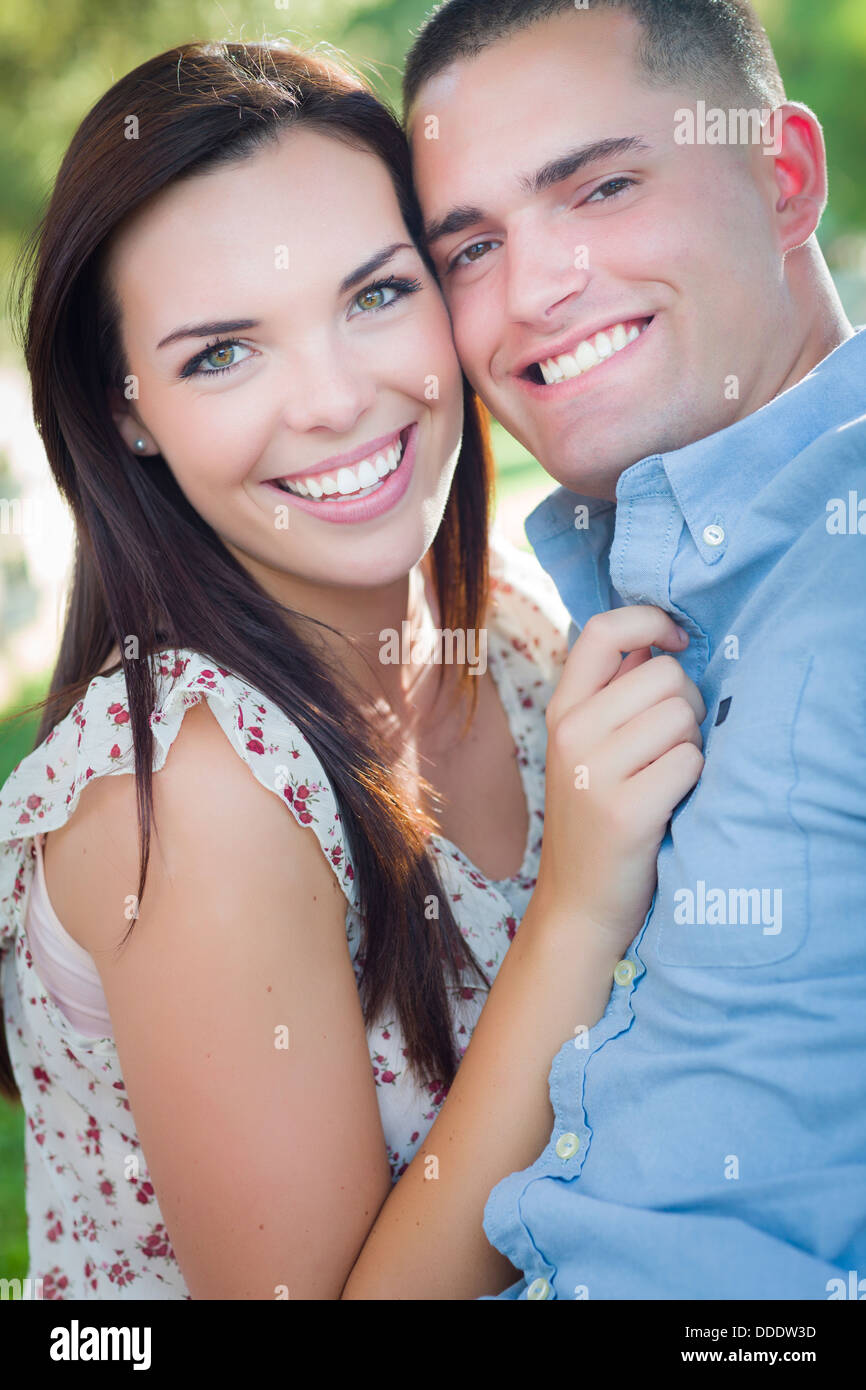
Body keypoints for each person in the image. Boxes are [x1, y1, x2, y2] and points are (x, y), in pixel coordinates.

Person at [0, 39, 705, 1299]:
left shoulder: (511, 632)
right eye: (222, 351)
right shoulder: (199, 792)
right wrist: (581, 908)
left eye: (376, 294)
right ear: (126, 413)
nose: (330, 400)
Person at [368, 0, 866, 1299]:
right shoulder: (589, 612)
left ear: (782, 179)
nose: (531, 293)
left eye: (600, 185)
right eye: (468, 247)